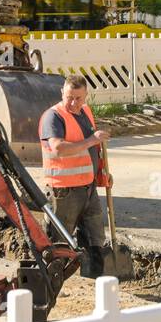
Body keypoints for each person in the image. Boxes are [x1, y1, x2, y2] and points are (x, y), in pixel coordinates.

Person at [39, 75, 112, 278]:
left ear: (86, 96)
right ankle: (50, 280)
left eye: (78, 98)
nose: (73, 103)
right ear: (62, 93)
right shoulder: (53, 117)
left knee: (95, 236)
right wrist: (91, 140)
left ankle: (95, 280)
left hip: (87, 188)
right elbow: (59, 148)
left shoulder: (86, 111)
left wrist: (101, 174)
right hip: (64, 191)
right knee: (59, 241)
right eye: (69, 97)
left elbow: (91, 151)